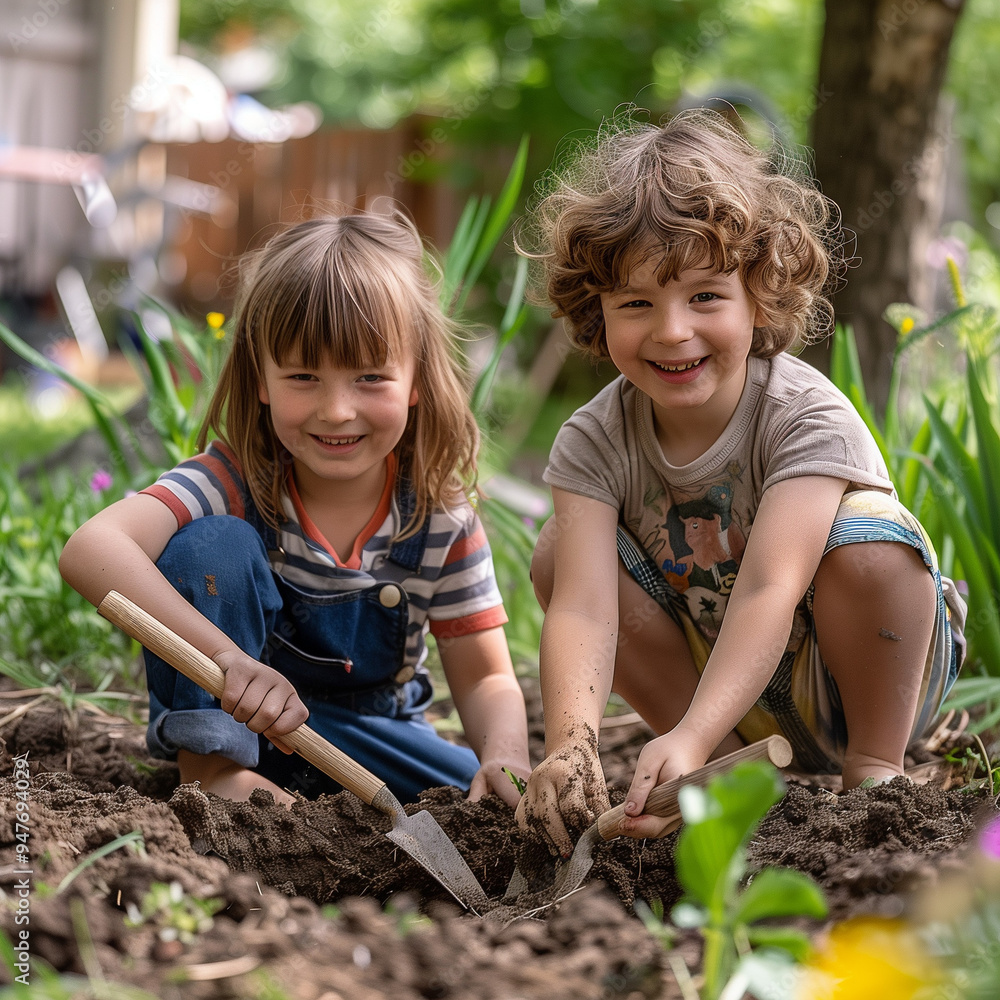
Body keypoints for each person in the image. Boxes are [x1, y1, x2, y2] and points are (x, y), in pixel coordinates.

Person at [514, 110, 967, 856]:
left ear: (759, 295)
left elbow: (768, 590)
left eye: (705, 296)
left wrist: (687, 734)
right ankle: (718, 771)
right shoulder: (594, 441)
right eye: (636, 303)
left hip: (856, 670)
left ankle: (876, 775)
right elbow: (585, 608)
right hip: (730, 695)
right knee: (560, 555)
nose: (671, 330)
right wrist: (570, 744)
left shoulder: (804, 414)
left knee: (872, 544)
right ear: (596, 309)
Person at [60, 211, 531, 809]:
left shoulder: (439, 515)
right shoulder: (233, 479)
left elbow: (486, 674)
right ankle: (213, 776)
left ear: (416, 381)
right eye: (304, 376)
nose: (336, 410)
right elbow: (90, 550)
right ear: (261, 378)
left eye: (369, 377)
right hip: (239, 723)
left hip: (363, 738)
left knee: (479, 799)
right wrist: (228, 662)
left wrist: (505, 755)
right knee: (212, 548)